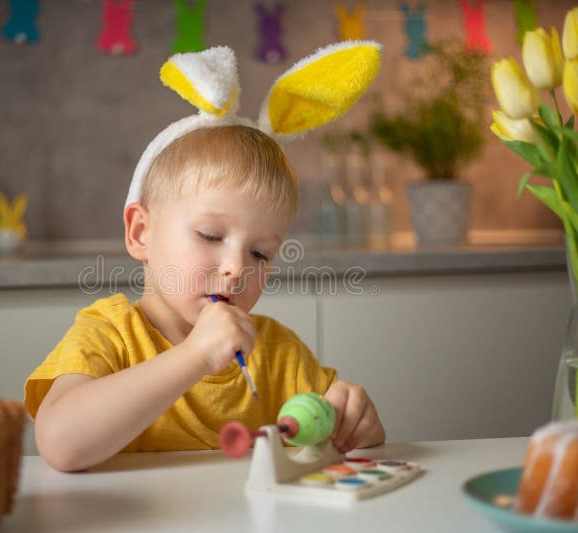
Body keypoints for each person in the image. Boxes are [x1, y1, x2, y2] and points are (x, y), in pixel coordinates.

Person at [24, 42, 385, 472]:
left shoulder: (279, 355)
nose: (237, 268)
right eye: (211, 235)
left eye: (259, 253)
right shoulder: (109, 335)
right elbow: (61, 444)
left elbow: (342, 443)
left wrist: (355, 421)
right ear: (141, 232)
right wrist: (195, 356)